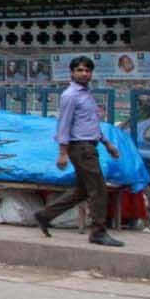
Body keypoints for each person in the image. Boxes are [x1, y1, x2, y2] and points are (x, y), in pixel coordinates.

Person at [35, 56, 124, 246]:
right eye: (80, 70)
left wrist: (108, 144)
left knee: (83, 190)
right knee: (99, 190)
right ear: (72, 72)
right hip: (81, 148)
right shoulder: (70, 95)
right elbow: (64, 124)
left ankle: (45, 215)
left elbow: (90, 124)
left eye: (87, 70)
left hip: (90, 145)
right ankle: (98, 231)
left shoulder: (86, 95)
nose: (84, 74)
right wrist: (62, 152)